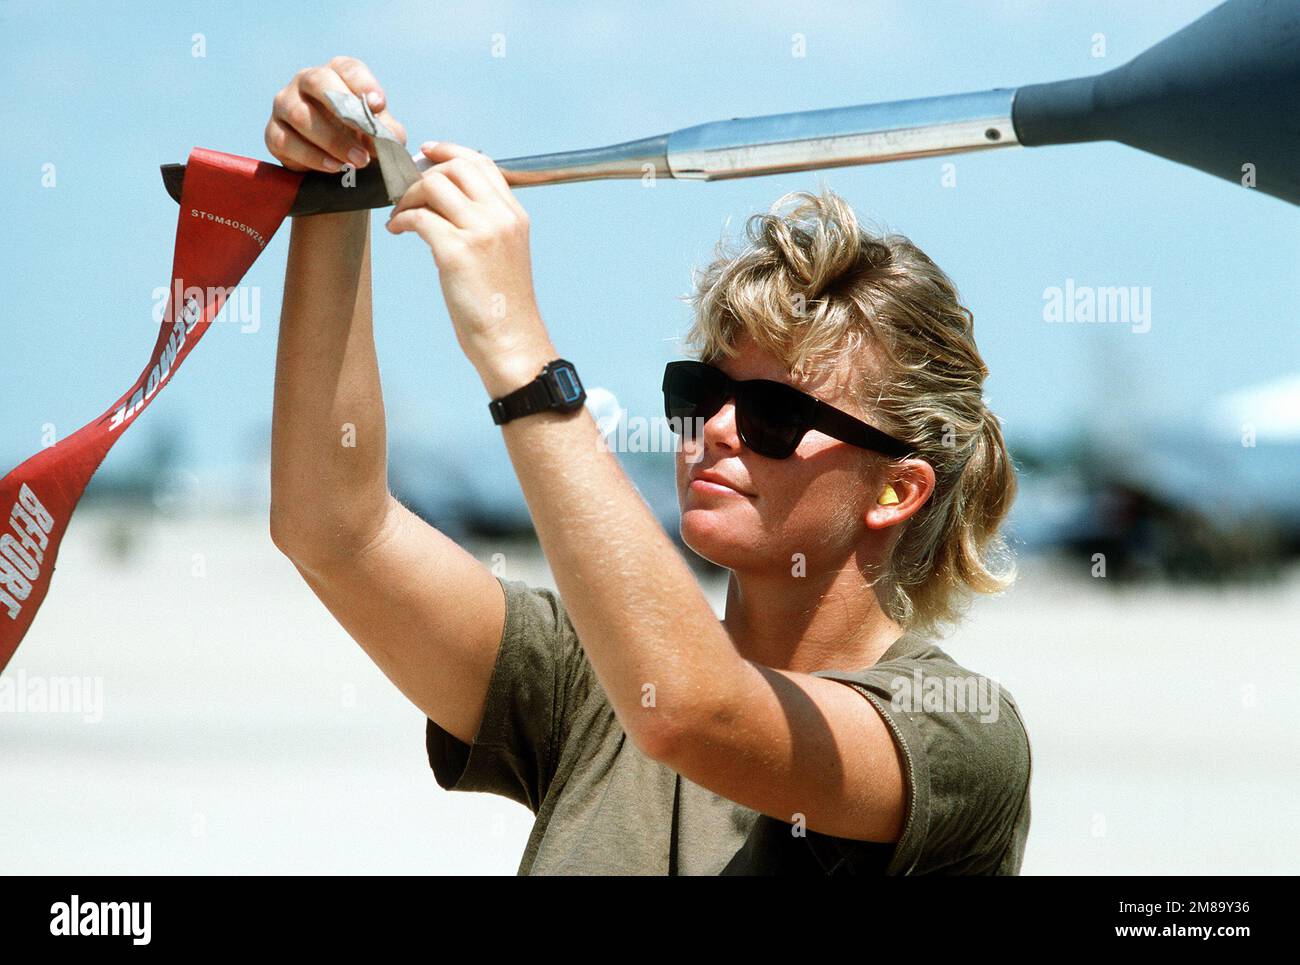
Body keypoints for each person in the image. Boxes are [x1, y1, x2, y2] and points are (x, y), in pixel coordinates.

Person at [266, 56, 1031, 875]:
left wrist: (521, 356)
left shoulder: (962, 731)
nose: (721, 430)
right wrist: (334, 197)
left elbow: (699, 718)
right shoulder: (593, 675)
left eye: (779, 415)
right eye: (703, 391)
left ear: (898, 488)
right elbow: (334, 529)